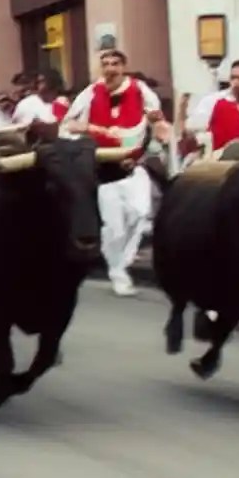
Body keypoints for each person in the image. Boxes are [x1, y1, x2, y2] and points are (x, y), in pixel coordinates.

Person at [63, 50, 168, 297]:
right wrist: (86, 129)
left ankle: (122, 262)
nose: (110, 69)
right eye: (105, 64)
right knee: (114, 228)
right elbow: (68, 123)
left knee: (142, 214)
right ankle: (118, 272)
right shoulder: (90, 93)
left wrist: (158, 123)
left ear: (123, 67)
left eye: (115, 64)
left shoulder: (140, 90)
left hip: (134, 165)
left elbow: (157, 118)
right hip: (104, 170)